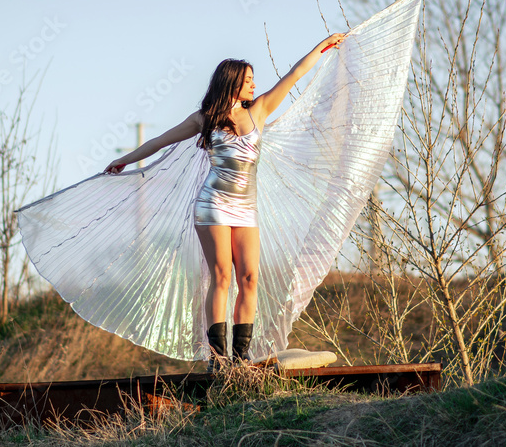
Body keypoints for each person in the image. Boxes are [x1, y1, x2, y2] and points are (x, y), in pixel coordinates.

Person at [103, 33, 346, 369]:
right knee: (221, 277)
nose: (253, 84)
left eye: (252, 80)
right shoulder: (204, 119)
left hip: (246, 208)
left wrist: (321, 47)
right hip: (213, 204)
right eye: (247, 80)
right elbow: (159, 141)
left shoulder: (259, 109)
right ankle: (217, 359)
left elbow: (294, 75)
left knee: (249, 278)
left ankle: (240, 356)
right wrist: (125, 160)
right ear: (231, 82)